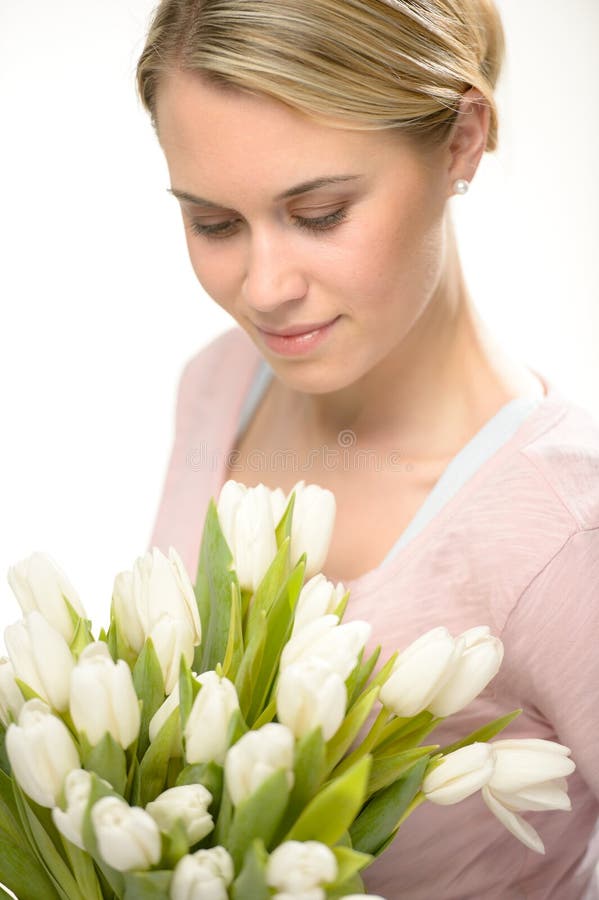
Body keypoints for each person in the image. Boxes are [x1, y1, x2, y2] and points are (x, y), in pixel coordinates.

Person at [135, 1, 599, 897]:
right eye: (215, 224)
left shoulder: (563, 535)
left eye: (318, 212)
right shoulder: (219, 387)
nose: (264, 289)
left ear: (461, 140)